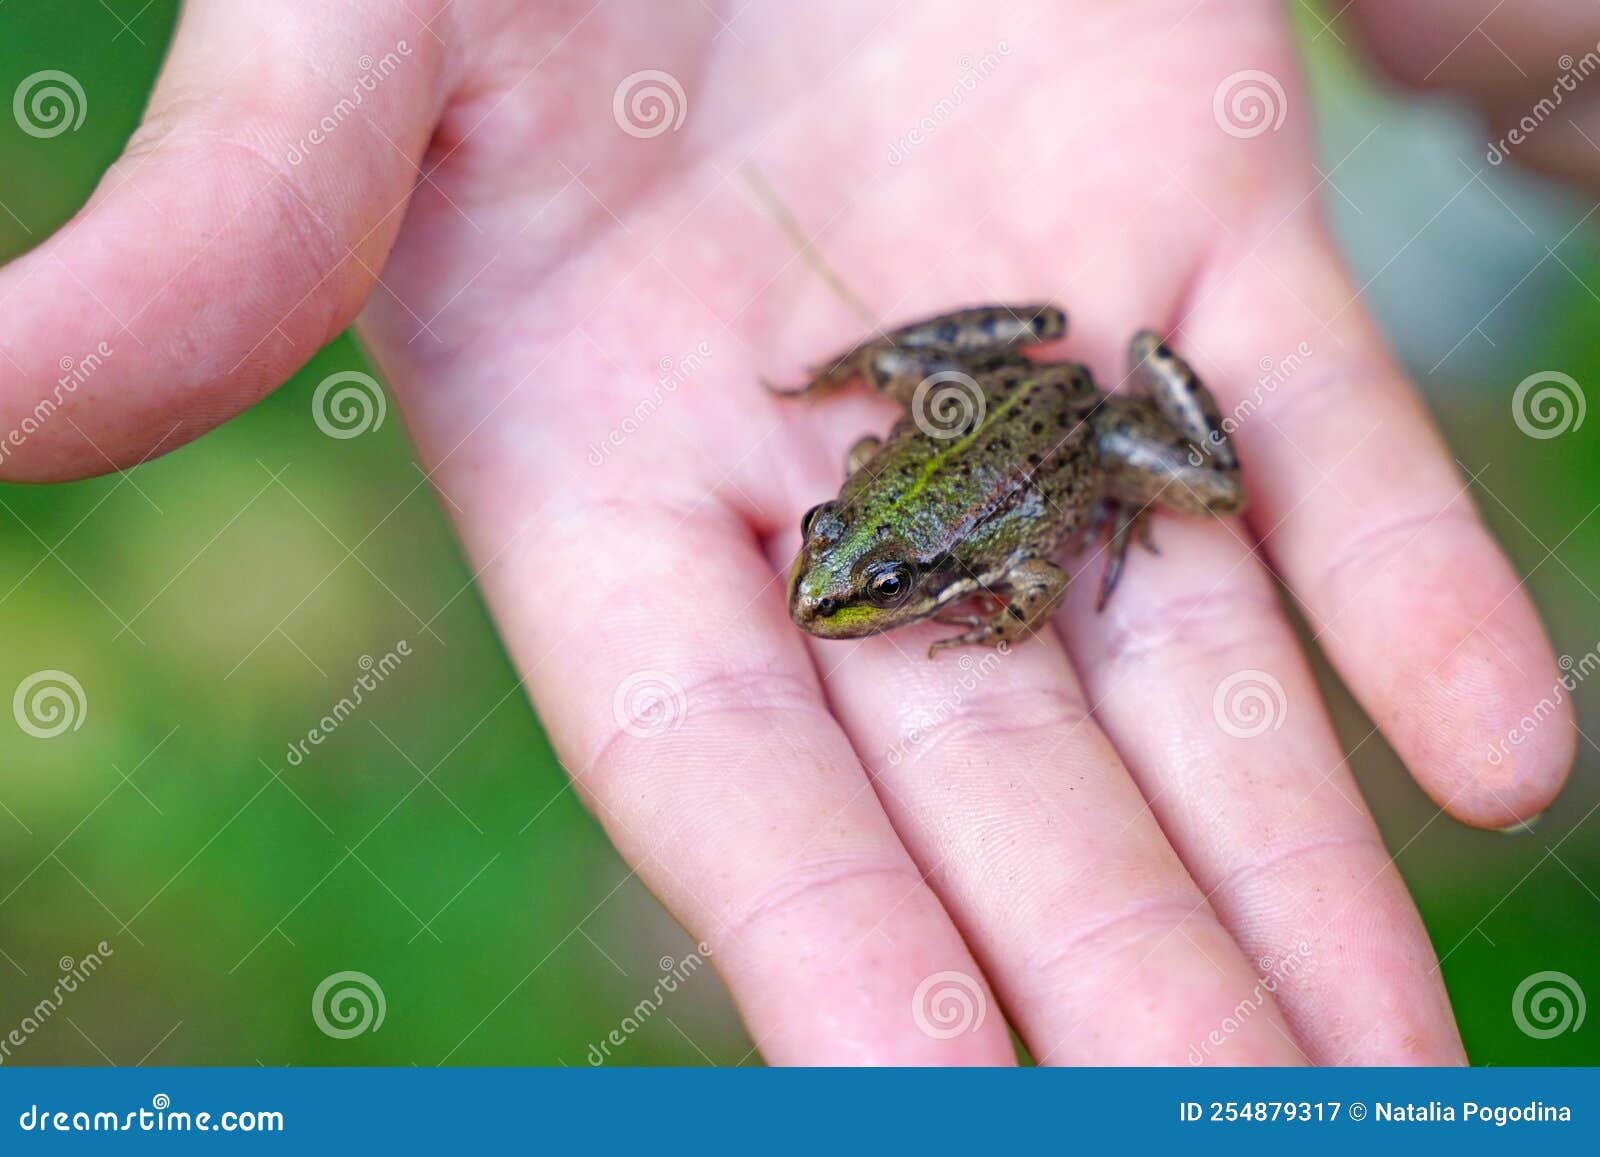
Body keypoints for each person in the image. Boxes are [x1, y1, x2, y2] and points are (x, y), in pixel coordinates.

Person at [0, 0, 1585, 1065]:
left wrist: (981, 600)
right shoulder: (867, 535)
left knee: (1217, 490)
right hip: (993, 398)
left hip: (1084, 424)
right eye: (843, 558)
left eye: (864, 580)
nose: (830, 587)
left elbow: (1025, 570)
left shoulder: (975, 558)